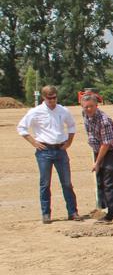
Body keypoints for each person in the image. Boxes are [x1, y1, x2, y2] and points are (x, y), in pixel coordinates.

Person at [17, 85, 79, 223]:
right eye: (49, 98)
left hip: (60, 149)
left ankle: (73, 212)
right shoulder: (35, 112)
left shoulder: (63, 110)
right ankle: (46, 214)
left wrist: (69, 142)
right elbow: (21, 127)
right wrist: (33, 142)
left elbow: (72, 125)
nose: (52, 101)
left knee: (67, 183)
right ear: (44, 98)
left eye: (54, 97)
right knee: (45, 183)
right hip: (44, 150)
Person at [81, 93, 113, 223]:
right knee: (99, 181)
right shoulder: (85, 115)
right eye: (85, 107)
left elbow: (106, 143)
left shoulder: (104, 120)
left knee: (109, 181)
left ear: (96, 106)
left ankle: (111, 214)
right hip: (97, 149)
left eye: (91, 106)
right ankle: (102, 209)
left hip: (110, 151)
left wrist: (97, 162)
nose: (88, 109)